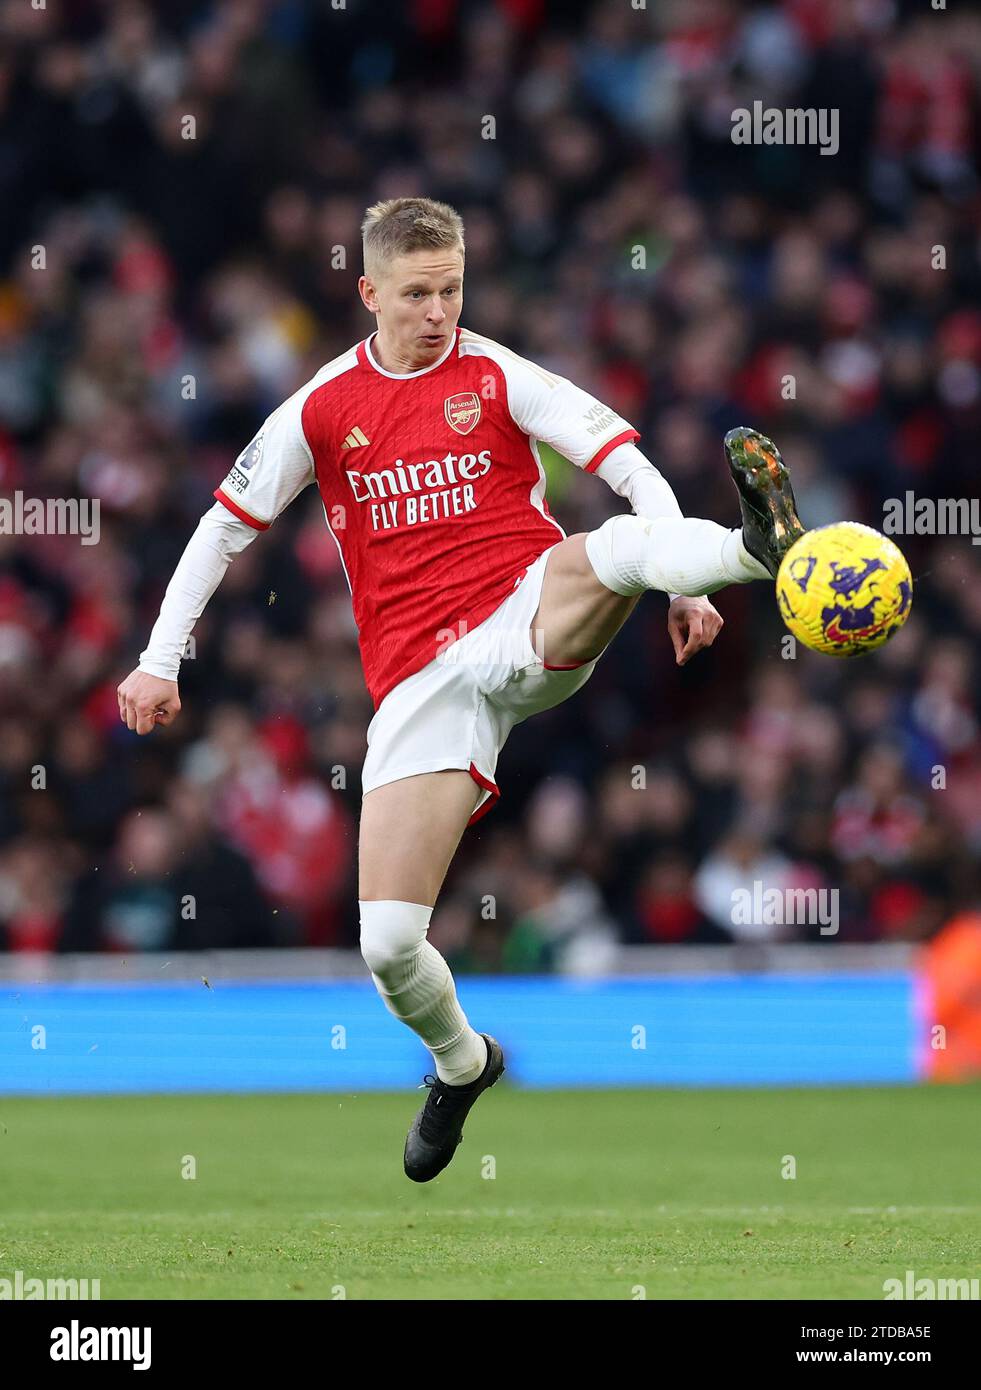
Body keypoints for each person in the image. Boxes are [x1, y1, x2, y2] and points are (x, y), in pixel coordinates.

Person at [117, 197, 804, 1182]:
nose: (439, 311)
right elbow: (223, 525)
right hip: (420, 683)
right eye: (417, 294)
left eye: (452, 289)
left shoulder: (494, 371)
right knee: (389, 942)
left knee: (607, 551)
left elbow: (616, 456)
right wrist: (159, 656)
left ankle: (752, 548)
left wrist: (684, 574)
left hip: (527, 607)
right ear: (369, 293)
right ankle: (462, 1062)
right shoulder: (320, 409)